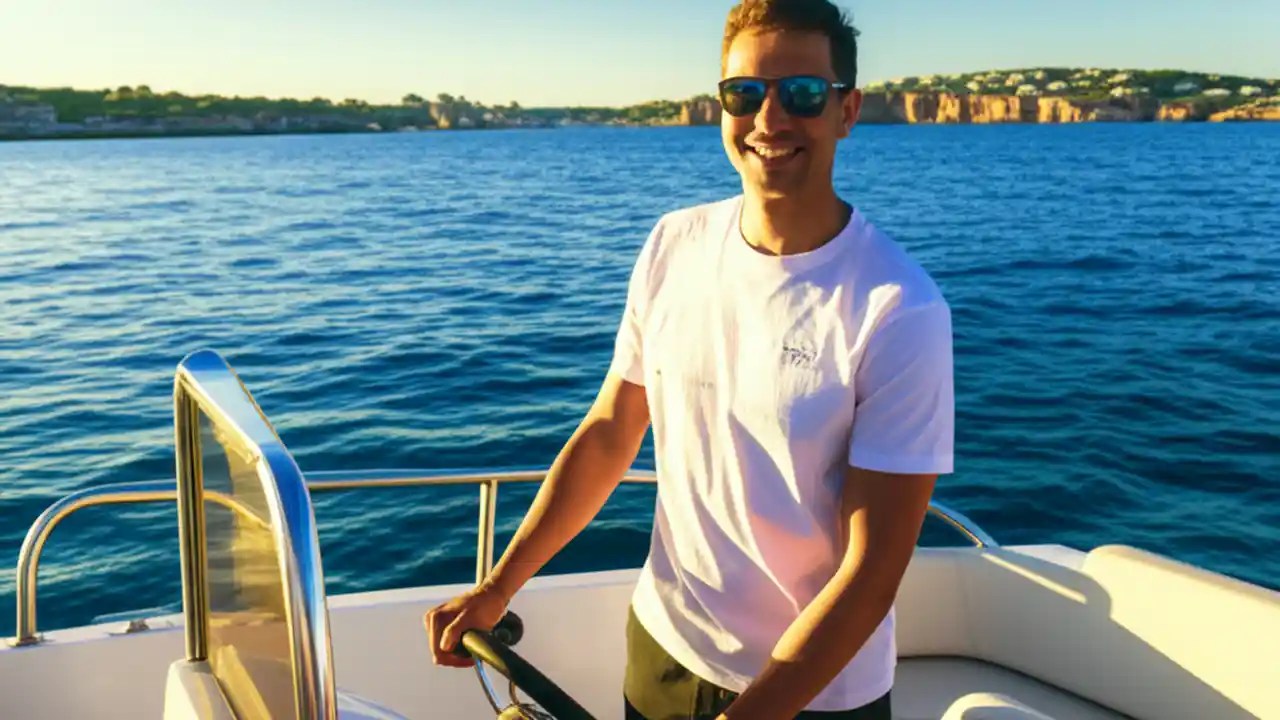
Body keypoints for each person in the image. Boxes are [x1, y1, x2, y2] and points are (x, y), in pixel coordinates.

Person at [424, 0, 954, 717]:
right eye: (745, 94)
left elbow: (872, 571)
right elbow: (613, 429)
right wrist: (500, 585)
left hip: (815, 693)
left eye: (801, 94)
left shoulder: (897, 308)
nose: (769, 120)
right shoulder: (674, 244)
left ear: (846, 110)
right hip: (663, 651)